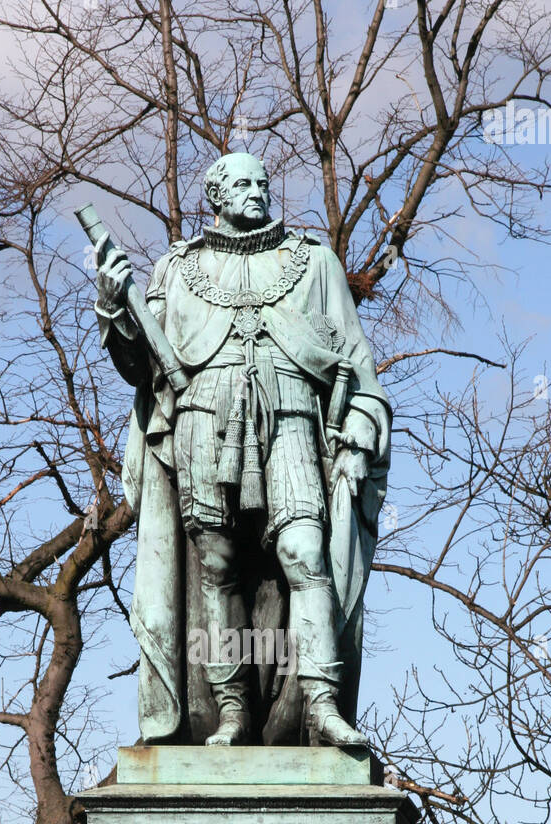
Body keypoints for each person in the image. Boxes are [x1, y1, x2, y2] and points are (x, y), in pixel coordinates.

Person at [93, 151, 391, 747]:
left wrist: (360, 430)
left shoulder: (313, 264)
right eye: (243, 183)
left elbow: (358, 363)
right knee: (219, 569)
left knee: (307, 553)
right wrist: (112, 304)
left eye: (263, 182)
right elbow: (140, 367)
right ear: (215, 195)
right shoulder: (177, 269)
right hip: (202, 422)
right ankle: (230, 713)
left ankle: (323, 708)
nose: (257, 191)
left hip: (291, 420)